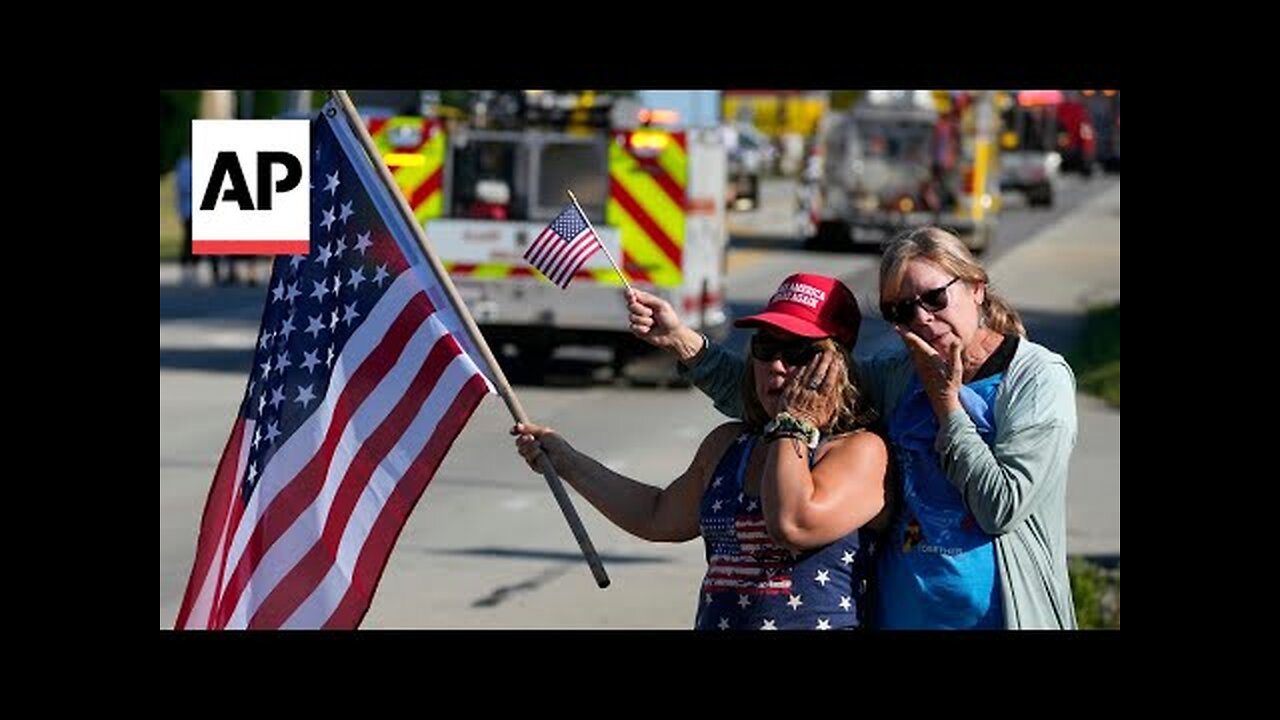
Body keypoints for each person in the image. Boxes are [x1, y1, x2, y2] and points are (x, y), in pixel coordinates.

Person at [627, 226, 1078, 629]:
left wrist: (947, 407)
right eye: (901, 311)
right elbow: (781, 391)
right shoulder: (900, 375)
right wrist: (681, 341)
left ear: (977, 288)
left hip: (997, 617)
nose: (922, 318)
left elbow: (1000, 507)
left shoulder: (1036, 379)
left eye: (934, 298)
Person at [514, 274, 890, 630]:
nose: (776, 365)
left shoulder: (860, 451)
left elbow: (792, 525)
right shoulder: (728, 444)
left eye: (798, 351)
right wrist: (566, 461)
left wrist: (795, 421)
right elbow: (656, 515)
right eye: (765, 347)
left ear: (837, 365)